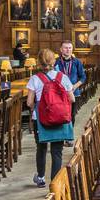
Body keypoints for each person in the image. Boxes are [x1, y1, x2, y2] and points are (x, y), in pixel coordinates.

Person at [30, 48, 74, 187]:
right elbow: (72, 99)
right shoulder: (62, 77)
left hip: (41, 120)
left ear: (39, 62)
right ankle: (55, 183)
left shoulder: (35, 79)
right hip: (60, 119)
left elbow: (29, 102)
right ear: (53, 61)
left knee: (41, 148)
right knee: (57, 151)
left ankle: (41, 178)